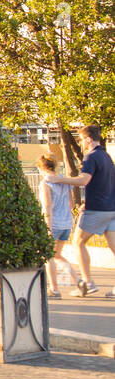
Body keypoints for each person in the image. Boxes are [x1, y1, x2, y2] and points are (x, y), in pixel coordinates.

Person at [43, 126, 115, 297]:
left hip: (96, 210)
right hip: (111, 209)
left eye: (82, 140)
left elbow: (84, 180)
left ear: (89, 139)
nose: (81, 143)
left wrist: (59, 179)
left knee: (78, 243)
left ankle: (88, 283)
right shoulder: (106, 156)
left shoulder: (91, 157)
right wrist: (85, 201)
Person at [37, 155, 81, 298]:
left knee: (49, 256)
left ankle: (54, 289)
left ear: (40, 168)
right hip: (66, 223)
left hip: (54, 223)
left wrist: (47, 227)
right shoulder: (63, 181)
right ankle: (78, 280)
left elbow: (47, 207)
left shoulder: (45, 183)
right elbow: (71, 204)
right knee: (57, 255)